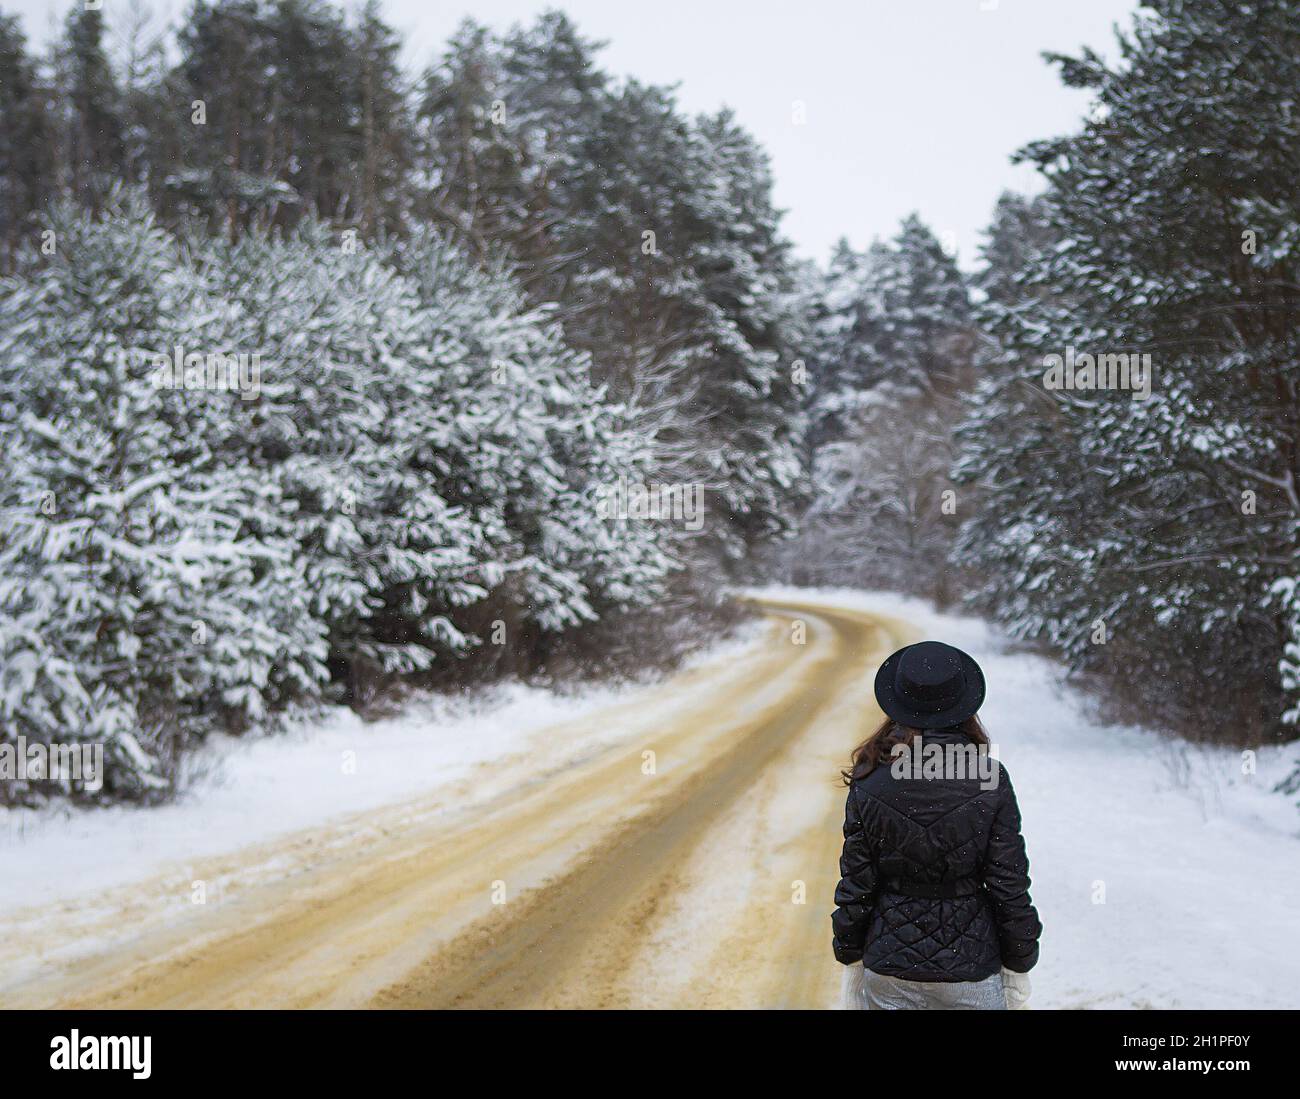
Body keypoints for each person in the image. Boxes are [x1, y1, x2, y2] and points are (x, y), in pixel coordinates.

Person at [832, 640, 1042, 1010]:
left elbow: (857, 883)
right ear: (964, 704)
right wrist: (1020, 960)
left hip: (890, 967)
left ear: (898, 703)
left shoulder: (871, 779)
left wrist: (849, 952)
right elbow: (1008, 882)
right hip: (972, 966)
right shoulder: (990, 779)